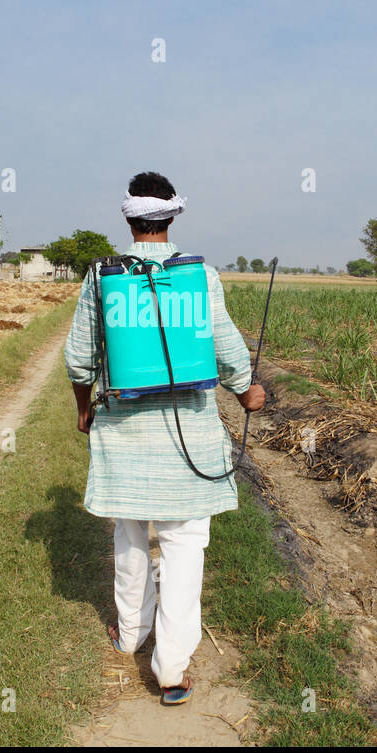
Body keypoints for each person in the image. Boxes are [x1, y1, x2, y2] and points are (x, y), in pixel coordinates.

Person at [63, 171, 265, 705]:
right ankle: (171, 670)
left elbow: (79, 359)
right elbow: (226, 347)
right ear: (173, 216)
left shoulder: (101, 277)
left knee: (129, 536)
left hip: (125, 435)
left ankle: (130, 633)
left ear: (128, 219)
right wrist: (247, 392)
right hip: (191, 441)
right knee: (184, 548)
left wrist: (84, 411)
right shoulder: (201, 277)